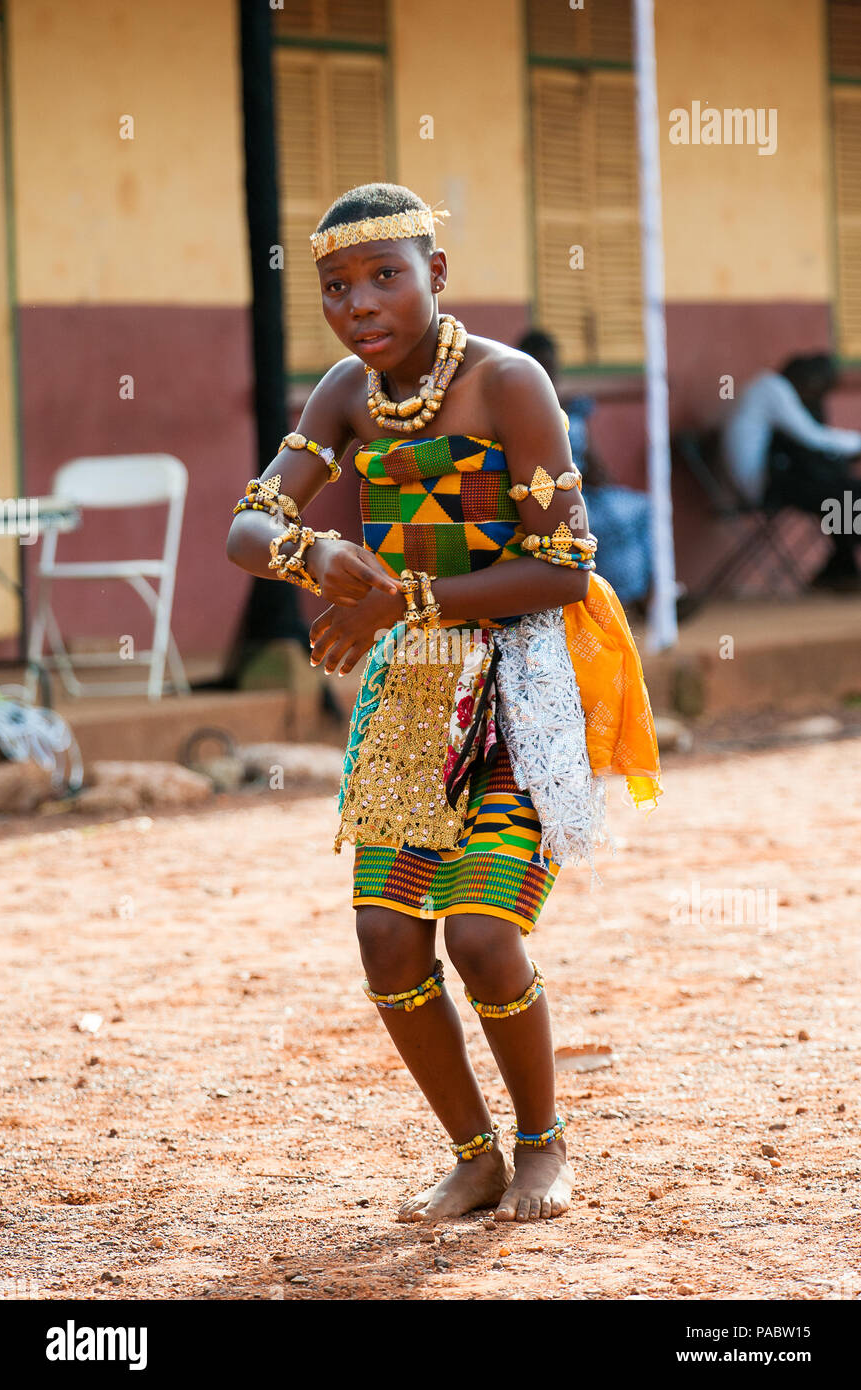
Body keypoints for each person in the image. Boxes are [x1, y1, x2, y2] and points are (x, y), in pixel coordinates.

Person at [227, 183, 661, 1225]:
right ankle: (472, 1156)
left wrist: (395, 600)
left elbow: (561, 570)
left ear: (438, 276)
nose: (360, 305)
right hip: (414, 691)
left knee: (478, 933)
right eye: (337, 288)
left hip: (524, 685)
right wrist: (317, 550)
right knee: (385, 936)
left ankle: (542, 1144)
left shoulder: (509, 385)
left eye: (386, 277)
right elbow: (249, 526)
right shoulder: (344, 392)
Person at [518, 331, 653, 612]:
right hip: (553, 500)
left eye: (552, 366)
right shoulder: (521, 410)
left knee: (643, 508)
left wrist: (604, 479)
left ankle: (651, 594)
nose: (550, 373)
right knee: (607, 523)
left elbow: (592, 458)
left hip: (588, 491)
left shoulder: (572, 408)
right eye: (542, 366)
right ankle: (616, 600)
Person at [722, 353, 861, 591]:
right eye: (817, 387)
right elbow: (812, 437)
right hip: (762, 486)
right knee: (845, 495)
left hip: (775, 479)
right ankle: (841, 566)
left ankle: (841, 566)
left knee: (843, 493)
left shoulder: (771, 387)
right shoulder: (772, 388)